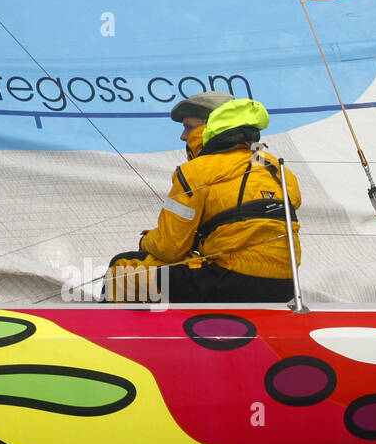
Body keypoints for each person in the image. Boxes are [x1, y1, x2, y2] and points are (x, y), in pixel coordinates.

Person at [106, 95, 302, 304]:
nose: (183, 136)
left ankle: (111, 335)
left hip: (227, 280)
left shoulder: (195, 172)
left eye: (188, 128)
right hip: (285, 284)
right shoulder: (280, 171)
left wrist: (145, 241)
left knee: (123, 269)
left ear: (212, 127)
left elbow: (170, 247)